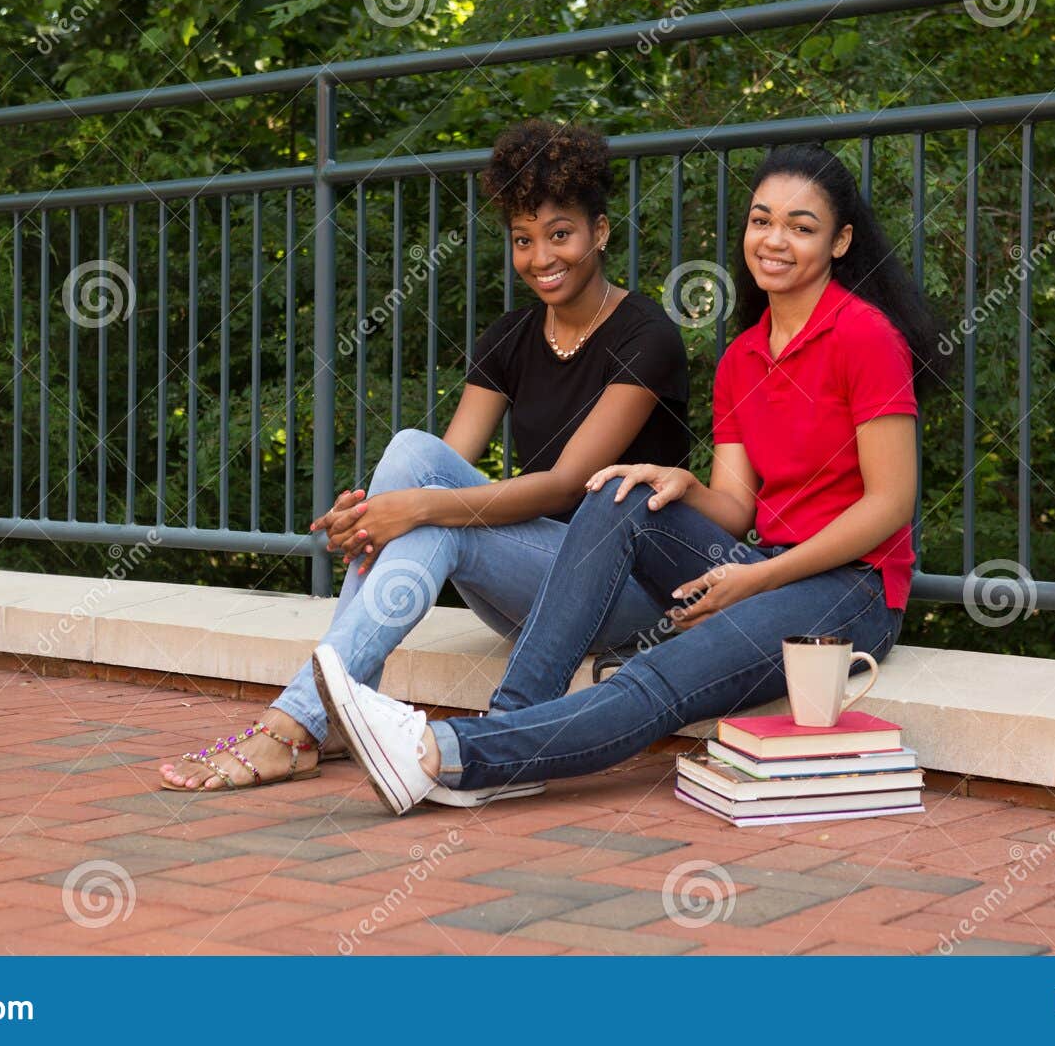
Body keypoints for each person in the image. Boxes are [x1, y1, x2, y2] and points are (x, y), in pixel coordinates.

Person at [311, 141, 949, 815]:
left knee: (654, 672)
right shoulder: (742, 356)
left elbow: (889, 505)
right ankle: (513, 720)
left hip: (850, 587)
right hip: (760, 560)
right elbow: (735, 508)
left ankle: (449, 752)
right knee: (621, 491)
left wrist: (756, 578)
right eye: (762, 220)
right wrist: (675, 480)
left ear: (841, 240)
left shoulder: (865, 335)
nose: (775, 240)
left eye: (802, 225)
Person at [160, 119, 692, 802]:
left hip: (625, 593)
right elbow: (438, 465)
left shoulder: (647, 336)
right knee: (412, 451)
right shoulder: (511, 336)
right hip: (530, 587)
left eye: (560, 233)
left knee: (427, 514)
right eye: (523, 240)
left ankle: (302, 723)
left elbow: (563, 483)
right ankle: (326, 710)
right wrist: (380, 511)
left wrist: (408, 508)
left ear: (600, 232)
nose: (541, 257)